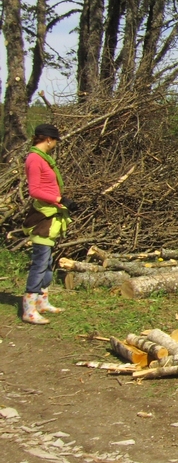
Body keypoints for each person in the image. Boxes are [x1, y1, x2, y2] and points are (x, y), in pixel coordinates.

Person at [22, 124, 72, 325]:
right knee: (40, 262)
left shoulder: (44, 159)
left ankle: (42, 301)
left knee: (48, 263)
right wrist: (59, 198)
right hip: (43, 215)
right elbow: (34, 190)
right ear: (49, 140)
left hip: (51, 212)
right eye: (55, 141)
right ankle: (29, 308)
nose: (55, 145)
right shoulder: (34, 159)